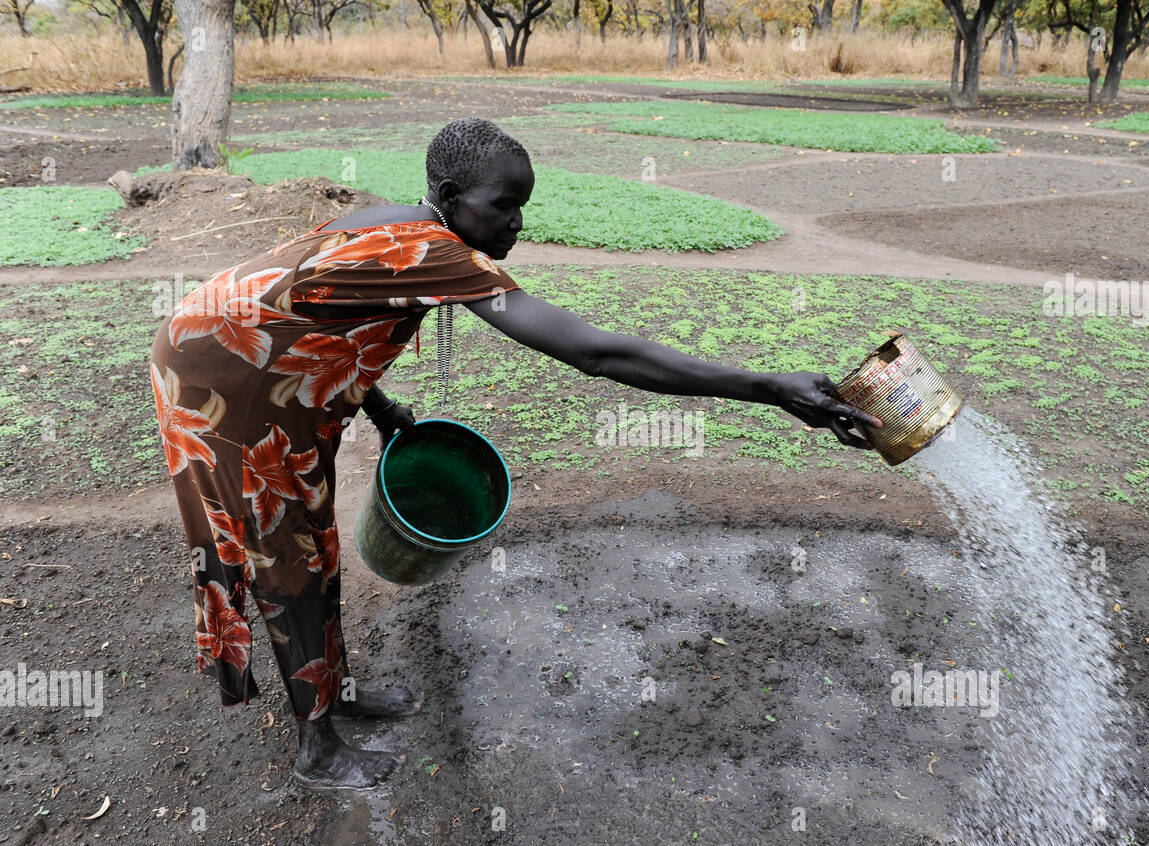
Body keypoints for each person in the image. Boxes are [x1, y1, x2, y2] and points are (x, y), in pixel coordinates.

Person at [150, 116, 881, 791]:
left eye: (521, 204)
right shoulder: (431, 250)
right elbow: (595, 352)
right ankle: (316, 745)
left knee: (317, 540)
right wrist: (771, 388)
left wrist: (375, 404)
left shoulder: (406, 226)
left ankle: (333, 688)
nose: (517, 223)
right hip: (223, 383)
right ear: (448, 196)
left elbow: (321, 310)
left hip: (252, 362)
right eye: (503, 205)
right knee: (288, 557)